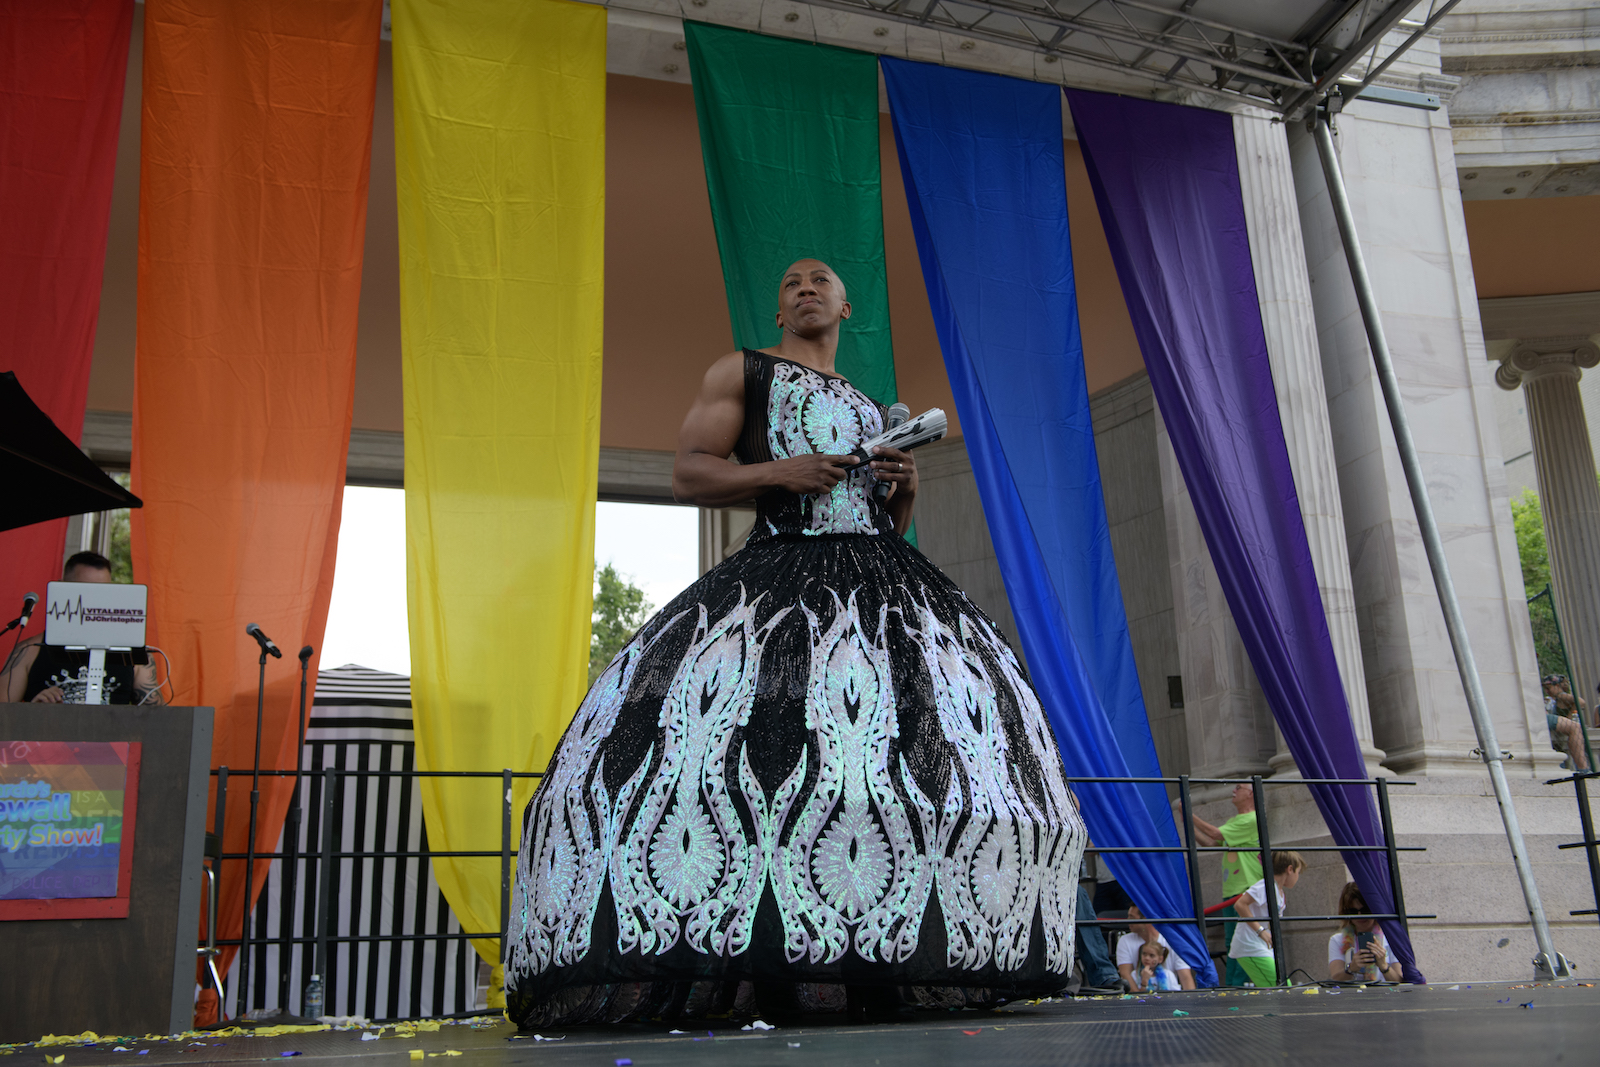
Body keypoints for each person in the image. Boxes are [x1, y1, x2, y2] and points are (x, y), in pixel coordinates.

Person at [503, 259, 1087, 1027]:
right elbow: (688, 472)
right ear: (780, 311)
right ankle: (744, 953)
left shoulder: (872, 404)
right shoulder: (741, 373)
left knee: (877, 761)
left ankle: (870, 953)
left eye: (821, 280)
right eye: (790, 283)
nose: (806, 287)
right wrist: (788, 470)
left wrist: (902, 484)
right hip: (776, 572)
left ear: (846, 306)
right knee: (753, 763)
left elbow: (885, 522)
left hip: (881, 587)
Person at [1, 551, 162, 705]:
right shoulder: (28, 651)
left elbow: (160, 721)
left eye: (103, 592)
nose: (94, 601)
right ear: (61, 590)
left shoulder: (135, 655)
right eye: (84, 592)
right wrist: (32, 711)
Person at [1182, 780, 1260, 985]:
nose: (1233, 791)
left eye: (1238, 788)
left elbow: (1215, 834)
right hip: (1232, 891)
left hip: (1246, 890)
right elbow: (1209, 843)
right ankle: (1233, 985)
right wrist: (1186, 820)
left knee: (1242, 942)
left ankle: (1238, 985)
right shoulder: (1236, 822)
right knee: (1231, 942)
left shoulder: (1253, 819)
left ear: (1251, 794)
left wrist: (1189, 813)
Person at [1228, 850, 1305, 988]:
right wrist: (1260, 930)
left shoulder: (1278, 891)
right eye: (1298, 872)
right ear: (1290, 869)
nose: (1298, 877)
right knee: (1281, 986)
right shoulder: (1265, 885)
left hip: (1259, 946)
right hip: (1250, 946)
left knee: (1278, 987)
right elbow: (1240, 904)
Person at [1327, 881, 1402, 984]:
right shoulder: (1337, 940)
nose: (1359, 915)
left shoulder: (1391, 938)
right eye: (1353, 911)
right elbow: (1335, 980)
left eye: (1365, 910)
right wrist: (1351, 968)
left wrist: (1384, 966)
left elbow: (1401, 982)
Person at [1115, 903, 1197, 991]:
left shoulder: (1173, 940)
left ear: (1145, 919)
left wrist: (1192, 1002)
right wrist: (1140, 1000)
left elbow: (1185, 977)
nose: (1127, 921)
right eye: (1144, 954)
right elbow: (1125, 975)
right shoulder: (1125, 940)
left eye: (1131, 917)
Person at [1543, 676, 1590, 772]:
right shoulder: (1555, 699)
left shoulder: (1561, 695)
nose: (1547, 691)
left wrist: (1568, 718)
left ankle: (1583, 769)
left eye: (1548, 688)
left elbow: (1580, 702)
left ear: (1556, 685)